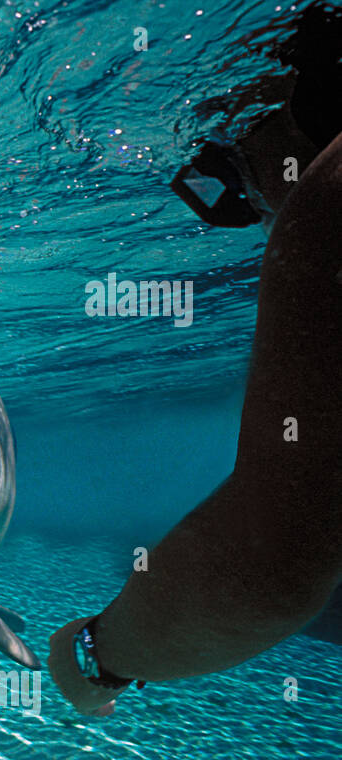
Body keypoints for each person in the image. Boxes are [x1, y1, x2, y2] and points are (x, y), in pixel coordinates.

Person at [48, 82, 342, 715]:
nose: (257, 209)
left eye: (233, 168)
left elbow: (281, 558)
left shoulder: (324, 207)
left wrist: (95, 661)